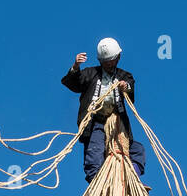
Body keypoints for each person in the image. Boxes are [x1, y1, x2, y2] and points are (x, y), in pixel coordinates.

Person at [61, 37, 147, 185]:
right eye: (107, 62)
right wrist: (76, 66)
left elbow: (130, 90)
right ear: (101, 61)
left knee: (137, 150)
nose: (110, 64)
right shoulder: (90, 73)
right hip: (95, 123)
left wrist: (125, 87)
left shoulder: (123, 76)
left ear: (118, 58)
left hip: (118, 126)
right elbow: (73, 84)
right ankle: (99, 187)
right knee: (94, 153)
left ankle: (132, 180)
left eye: (113, 60)